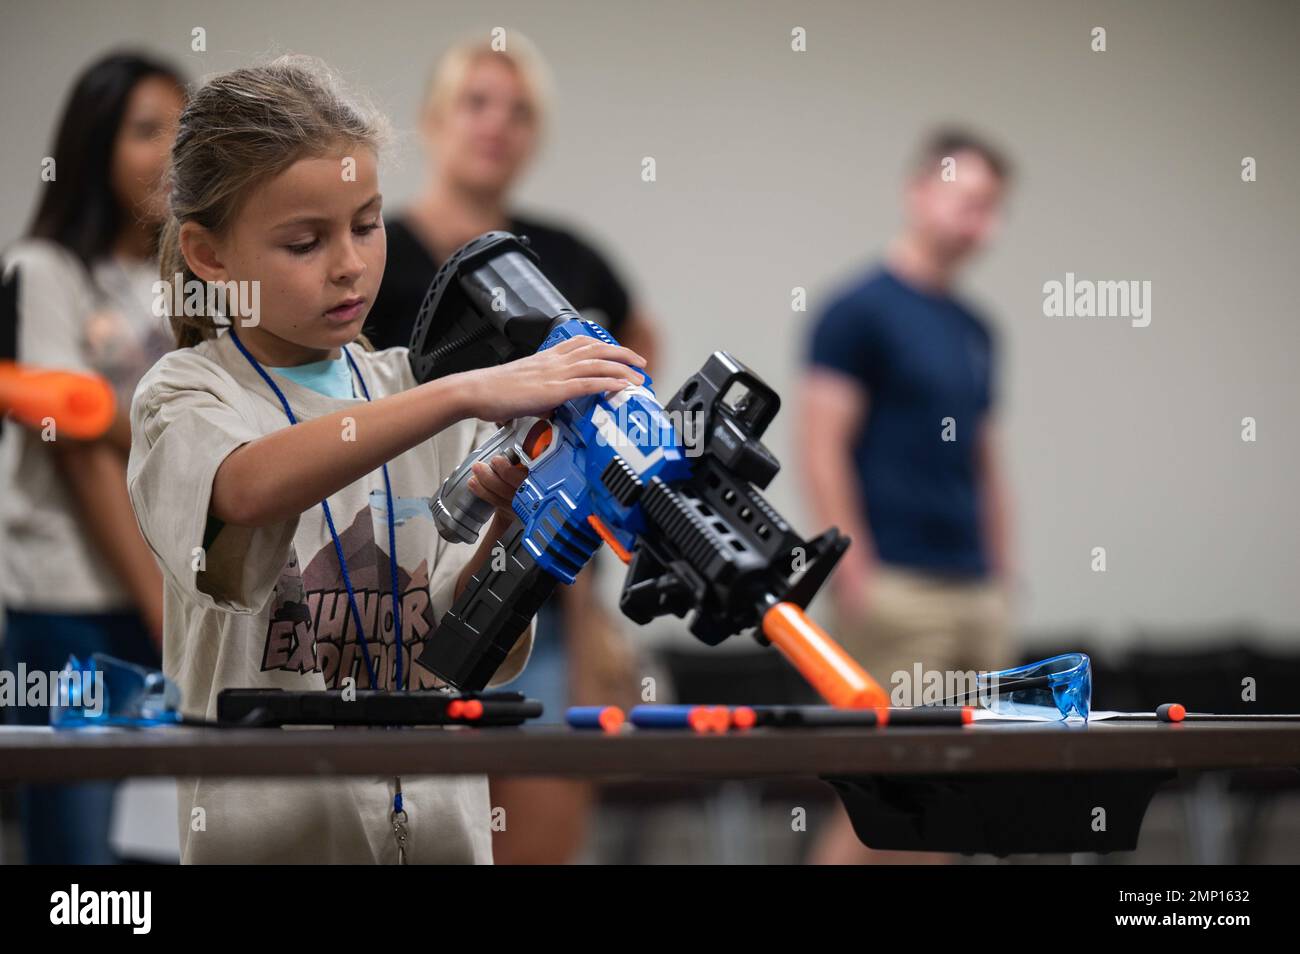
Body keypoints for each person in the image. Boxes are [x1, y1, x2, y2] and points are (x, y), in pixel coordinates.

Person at [126, 54, 647, 864]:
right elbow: (246, 486)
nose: (350, 264)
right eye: (305, 241)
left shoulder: (406, 385)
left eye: (367, 224)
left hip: (439, 837)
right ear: (209, 255)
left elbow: (456, 648)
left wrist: (510, 526)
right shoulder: (184, 395)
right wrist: (467, 392)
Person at [364, 34, 656, 864]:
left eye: (519, 111)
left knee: (542, 828)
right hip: (402, 575)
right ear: (432, 119)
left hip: (543, 580)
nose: (497, 125)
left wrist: (595, 611)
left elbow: (633, 380)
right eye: (476, 103)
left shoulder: (570, 258)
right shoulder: (375, 258)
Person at [799, 129, 1018, 865]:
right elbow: (821, 442)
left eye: (992, 207)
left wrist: (1003, 571)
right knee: (890, 798)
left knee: (958, 802)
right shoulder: (858, 311)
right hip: (897, 587)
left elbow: (985, 460)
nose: (979, 221)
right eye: (968, 199)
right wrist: (856, 571)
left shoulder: (976, 329)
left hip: (973, 588)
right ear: (920, 191)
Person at [0, 51, 185, 864]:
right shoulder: (42, 272)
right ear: (95, 143)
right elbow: (74, 446)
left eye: (185, 133)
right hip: (72, 607)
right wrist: (160, 608)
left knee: (159, 847)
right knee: (77, 861)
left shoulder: (191, 284)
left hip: (177, 604)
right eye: (147, 130)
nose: (170, 153)